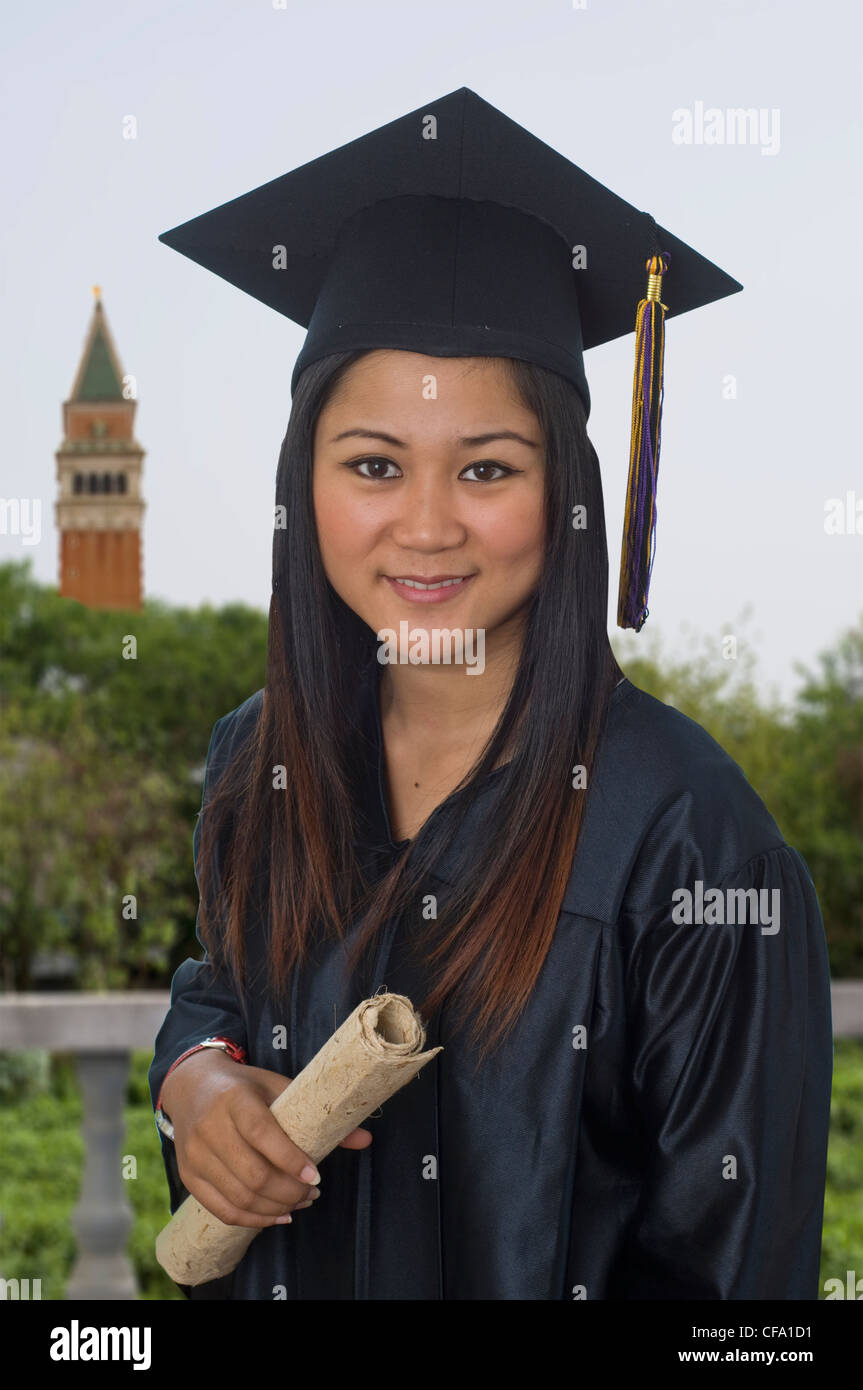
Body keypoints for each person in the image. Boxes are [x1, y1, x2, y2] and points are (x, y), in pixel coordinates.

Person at [149, 87, 833, 1300]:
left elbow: (739, 1295)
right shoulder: (256, 759)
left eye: (485, 468)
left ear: (564, 488)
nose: (424, 524)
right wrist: (195, 1078)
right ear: (303, 482)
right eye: (371, 464)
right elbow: (219, 989)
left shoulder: (686, 835)